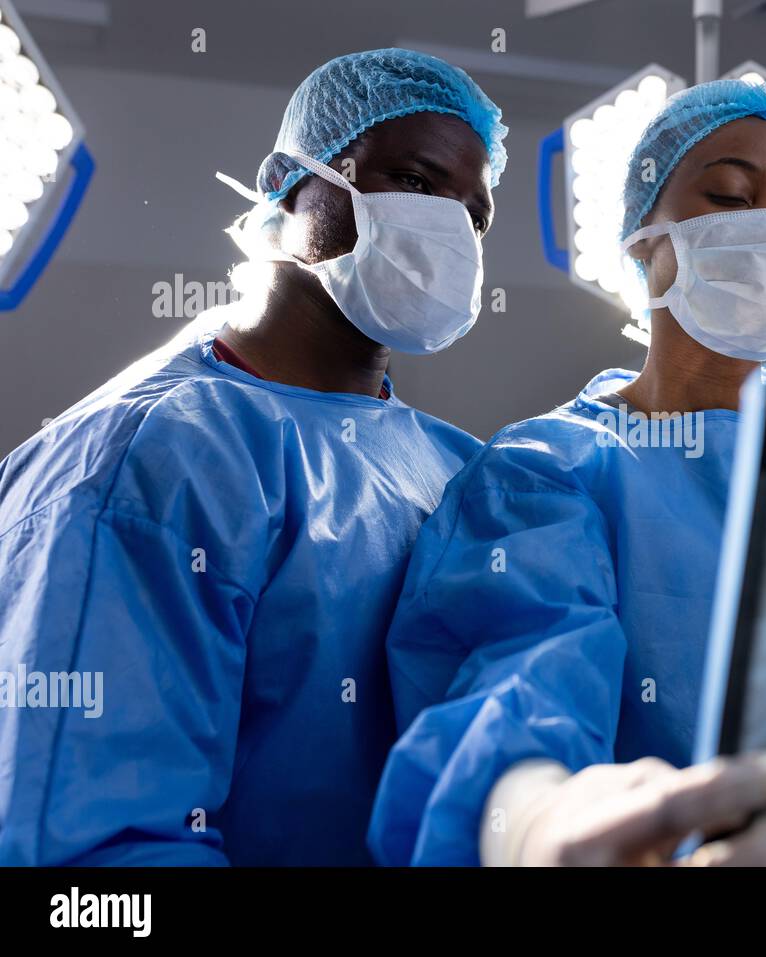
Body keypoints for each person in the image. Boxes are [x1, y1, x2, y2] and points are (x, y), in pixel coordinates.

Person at [0, 49, 506, 865]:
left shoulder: (462, 470)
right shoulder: (149, 459)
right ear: (292, 183)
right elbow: (90, 865)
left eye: (475, 214)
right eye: (417, 181)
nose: (451, 226)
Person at [369, 79, 766, 866]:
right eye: (730, 195)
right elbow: (522, 679)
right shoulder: (546, 473)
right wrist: (535, 823)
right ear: (641, 241)